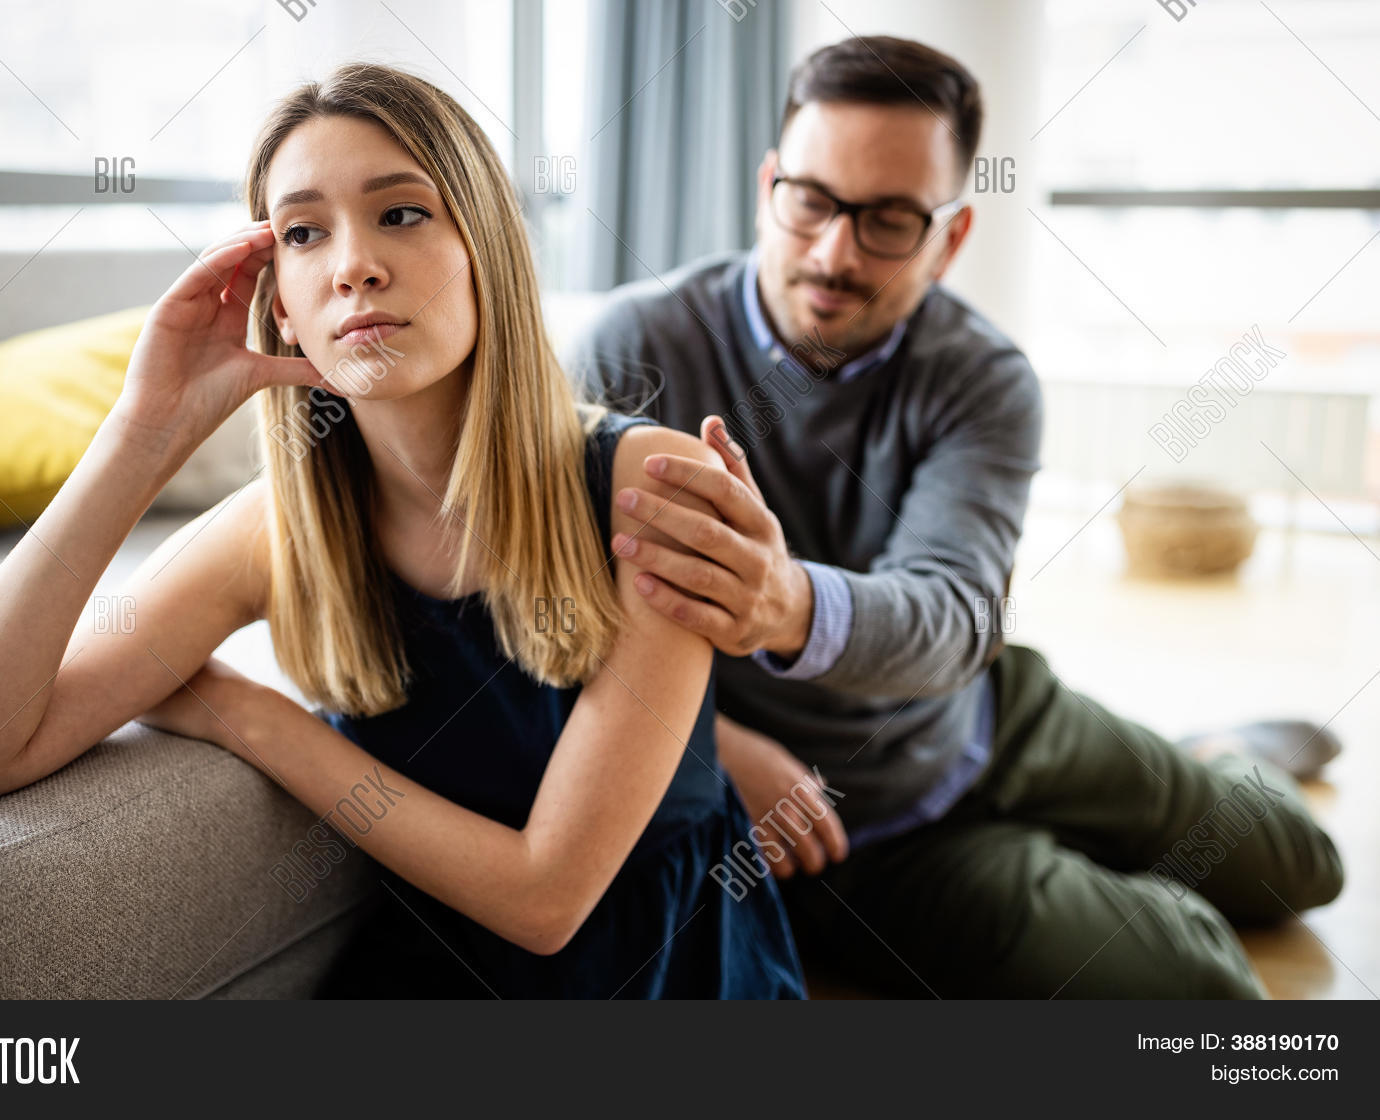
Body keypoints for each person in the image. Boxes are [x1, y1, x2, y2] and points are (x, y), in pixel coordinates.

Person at [0, 63, 805, 999]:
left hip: (669, 967)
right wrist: (143, 433)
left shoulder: (652, 484)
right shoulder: (275, 532)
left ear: (484, 248)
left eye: (402, 213)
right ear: (282, 304)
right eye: (304, 232)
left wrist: (257, 721)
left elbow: (548, 899)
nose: (351, 265)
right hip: (441, 973)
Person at [569, 35, 1344, 998]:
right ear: (769, 183)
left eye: (890, 219)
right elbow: (545, 616)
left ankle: (1224, 759)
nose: (833, 252)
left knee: (1303, 865)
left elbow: (956, 612)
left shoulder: (983, 380)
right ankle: (1079, 849)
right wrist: (712, 756)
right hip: (857, 829)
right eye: (810, 200)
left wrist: (784, 604)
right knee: (1204, 991)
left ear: (952, 237)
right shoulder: (630, 347)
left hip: (990, 713)